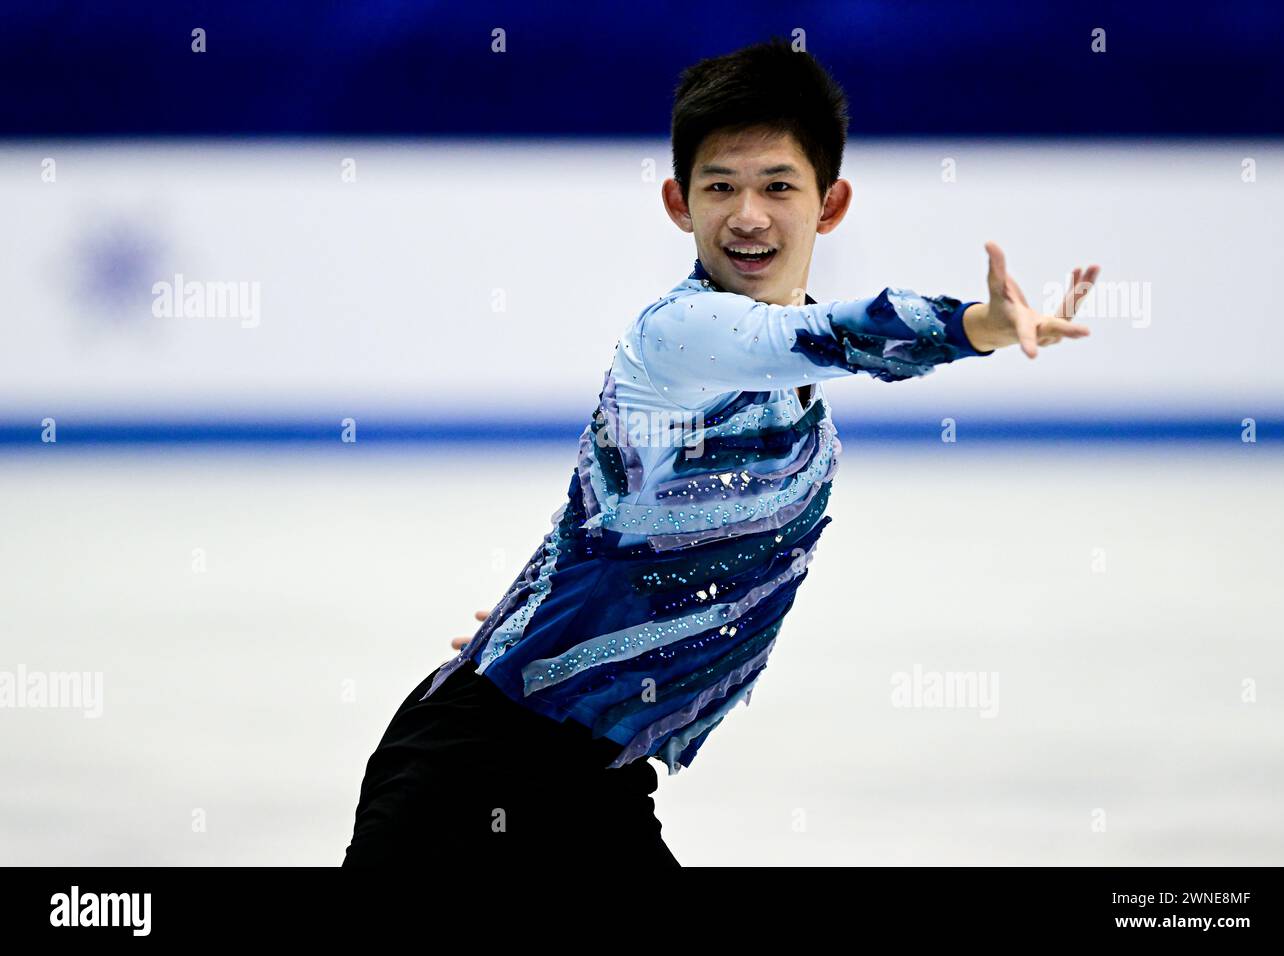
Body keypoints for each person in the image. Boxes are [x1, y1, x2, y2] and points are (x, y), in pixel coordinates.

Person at [343, 36, 1099, 868]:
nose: (748, 215)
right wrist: (974, 327)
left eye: (778, 186)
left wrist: (541, 628)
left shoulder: (809, 428)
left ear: (830, 202)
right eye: (720, 188)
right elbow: (828, 332)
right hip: (474, 773)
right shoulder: (677, 335)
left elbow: (603, 523)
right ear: (679, 202)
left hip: (595, 778)